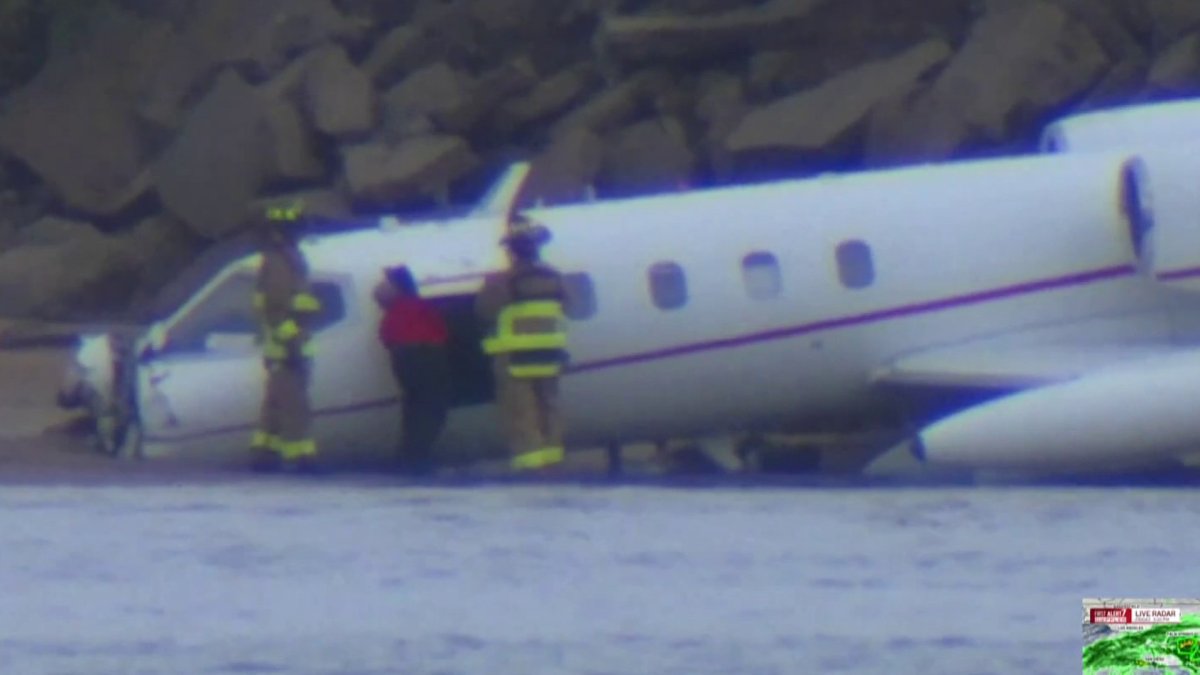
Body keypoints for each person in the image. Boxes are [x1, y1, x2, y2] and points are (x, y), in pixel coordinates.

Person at [474, 214, 569, 473]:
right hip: (549, 356)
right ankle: (553, 461)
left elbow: (484, 311)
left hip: (514, 359)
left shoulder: (501, 282)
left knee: (521, 414)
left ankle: (530, 467)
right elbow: (568, 307)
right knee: (549, 408)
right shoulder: (555, 278)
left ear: (512, 251)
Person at [249, 201, 322, 473]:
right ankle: (301, 458)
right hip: (287, 348)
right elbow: (277, 310)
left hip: (286, 347)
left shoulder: (284, 259)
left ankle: (264, 454)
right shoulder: (280, 263)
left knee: (276, 405)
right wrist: (292, 346)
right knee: (295, 407)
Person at [374, 265, 451, 476]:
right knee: (432, 406)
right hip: (427, 355)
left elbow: (386, 335)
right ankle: (418, 453)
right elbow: (440, 331)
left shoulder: (394, 309)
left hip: (403, 357)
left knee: (414, 404)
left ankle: (410, 452)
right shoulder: (419, 306)